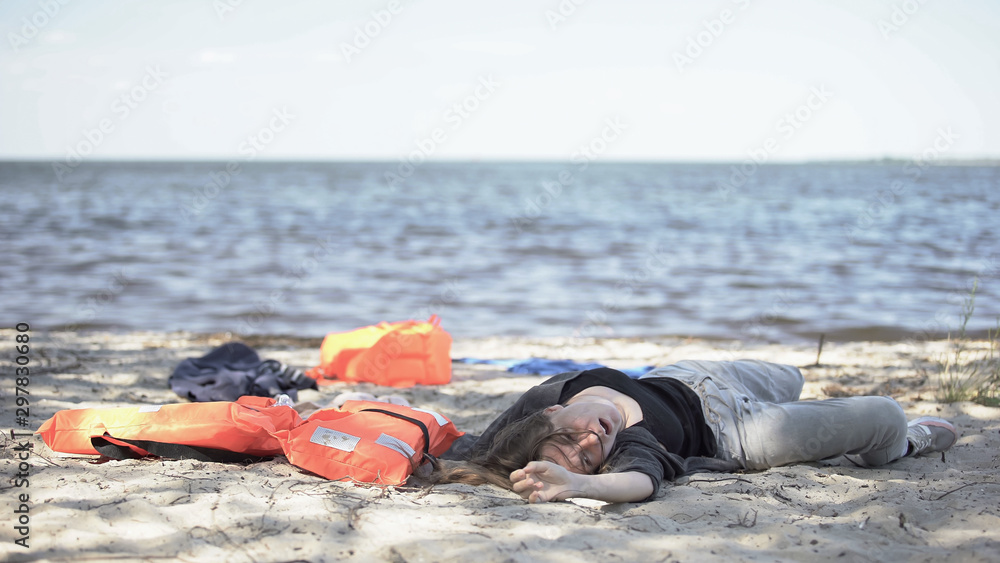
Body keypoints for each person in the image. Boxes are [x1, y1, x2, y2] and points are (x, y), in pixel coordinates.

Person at [429, 360, 958, 504]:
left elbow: (461, 447)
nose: (590, 443)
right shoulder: (630, 448)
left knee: (793, 376)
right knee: (883, 415)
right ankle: (907, 442)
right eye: (587, 458)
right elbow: (640, 483)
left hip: (688, 374)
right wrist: (583, 484)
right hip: (741, 429)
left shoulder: (537, 403)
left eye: (569, 441)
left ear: (544, 420)